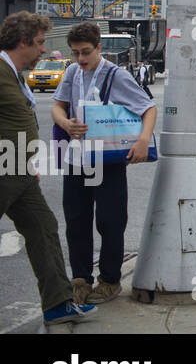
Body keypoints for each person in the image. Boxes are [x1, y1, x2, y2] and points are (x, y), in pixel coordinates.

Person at [52, 21, 158, 305]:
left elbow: (148, 107)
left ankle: (110, 280)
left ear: (99, 48)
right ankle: (81, 280)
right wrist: (64, 122)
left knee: (110, 221)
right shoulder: (72, 72)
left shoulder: (116, 75)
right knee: (76, 221)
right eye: (75, 53)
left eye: (86, 52)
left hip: (108, 159)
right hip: (77, 159)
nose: (81, 59)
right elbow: (57, 105)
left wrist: (143, 141)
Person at [0, 12, 95, 325]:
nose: (43, 50)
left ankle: (57, 304)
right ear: (23, 41)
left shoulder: (13, 73)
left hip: (19, 171)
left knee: (44, 227)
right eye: (39, 43)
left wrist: (25, 161)